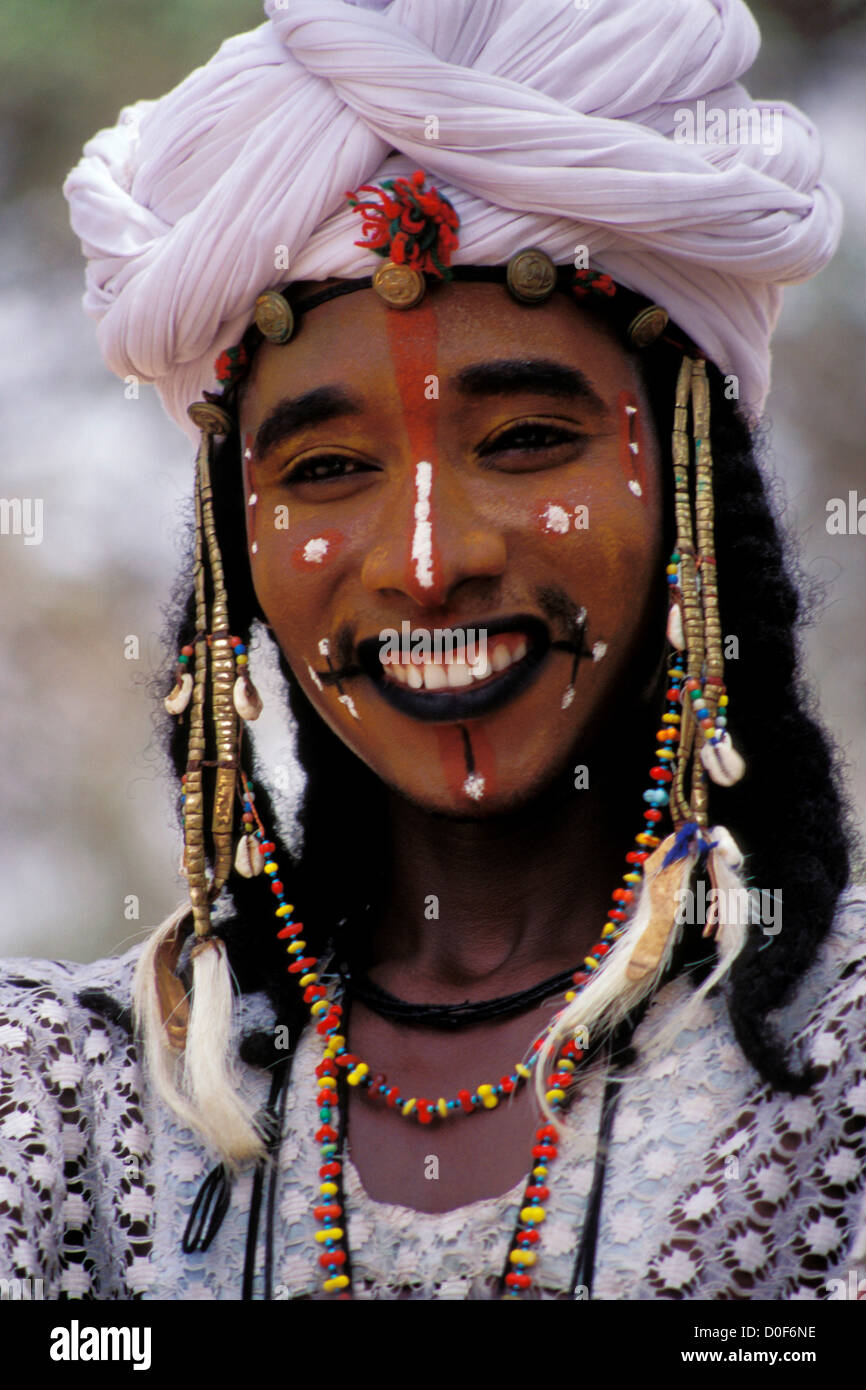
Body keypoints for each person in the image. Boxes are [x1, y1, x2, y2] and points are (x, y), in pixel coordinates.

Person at [2, 0, 865, 1302]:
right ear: (236, 536)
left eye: (524, 439)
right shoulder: (63, 1102)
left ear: (691, 482)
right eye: (328, 467)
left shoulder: (841, 1051)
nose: (425, 557)